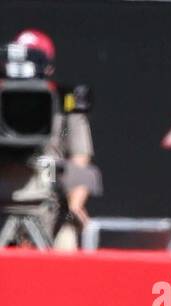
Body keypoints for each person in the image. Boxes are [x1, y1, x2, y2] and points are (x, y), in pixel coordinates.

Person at [0, 30, 98, 249]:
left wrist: (73, 207)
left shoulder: (67, 101)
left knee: (67, 239)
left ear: (48, 67)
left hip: (48, 191)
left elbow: (80, 157)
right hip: (4, 185)